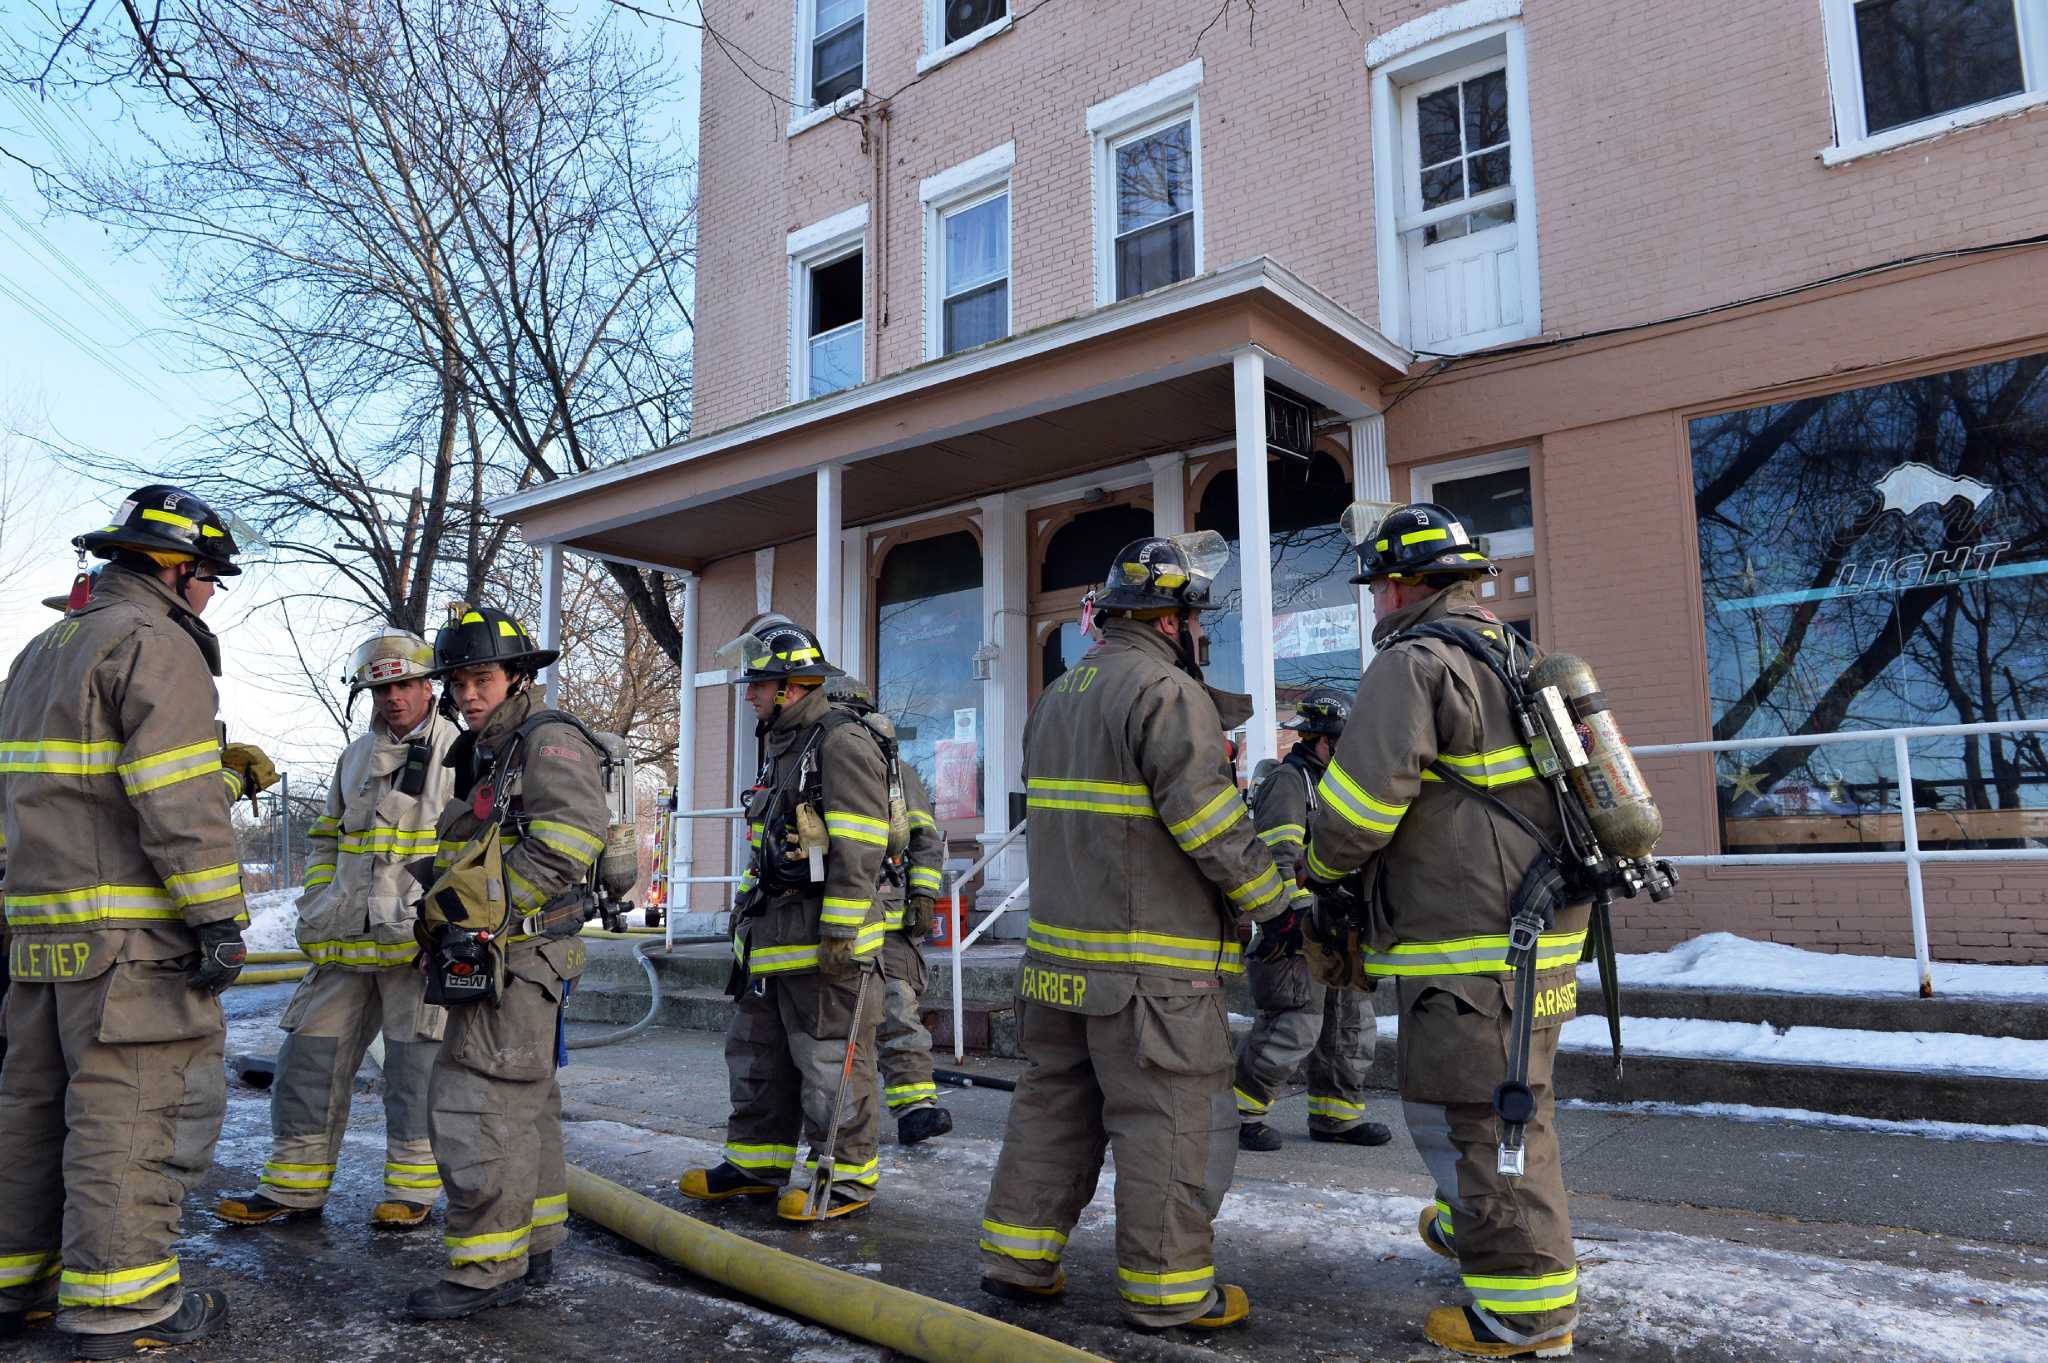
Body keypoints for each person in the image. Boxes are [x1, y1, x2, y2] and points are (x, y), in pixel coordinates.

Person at [977, 533, 1288, 1333]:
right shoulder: (1167, 694)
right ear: (1174, 618)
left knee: (1055, 1106)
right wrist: (1274, 903)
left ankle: (1017, 1257)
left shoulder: (1057, 695)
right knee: (1173, 1120)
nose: (1200, 632)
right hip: (1152, 976)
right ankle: (1168, 1292)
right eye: (1196, 617)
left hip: (1055, 967)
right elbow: (1211, 823)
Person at [1303, 502, 1586, 1360]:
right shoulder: (1514, 654)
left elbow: (1355, 810)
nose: (1377, 605)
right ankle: (1488, 1238)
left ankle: (1523, 1319)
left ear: (1402, 585)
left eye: (1380, 588)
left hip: (1474, 942)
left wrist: (1315, 872)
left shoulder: (1414, 663)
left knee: (1487, 1119)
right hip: (1537, 934)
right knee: (1508, 1104)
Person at [0, 485, 249, 1358]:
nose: (211, 595)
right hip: (130, 950)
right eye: (211, 579)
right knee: (132, 1112)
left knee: (32, 1110)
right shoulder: (156, 642)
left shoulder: (41, 649)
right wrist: (218, 915)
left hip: (37, 941)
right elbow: (176, 793)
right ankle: (121, 1305)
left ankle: (15, 1281)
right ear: (177, 570)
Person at [402, 605, 611, 1320]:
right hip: (512, 954)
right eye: (457, 680)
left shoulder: (545, 740)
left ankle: (486, 1268)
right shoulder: (489, 747)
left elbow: (567, 843)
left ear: (519, 675)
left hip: (516, 956)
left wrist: (477, 915)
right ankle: (536, 1240)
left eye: (482, 676)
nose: (466, 692)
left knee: (477, 1102)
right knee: (523, 1105)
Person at [215, 631, 460, 1230]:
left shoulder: (463, 752)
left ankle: (412, 1189)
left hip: (415, 945)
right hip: (346, 941)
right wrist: (319, 901)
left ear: (428, 686)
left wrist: (442, 924)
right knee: (307, 1058)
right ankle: (293, 1187)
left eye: (404, 684)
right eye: (381, 687)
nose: (393, 698)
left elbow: (470, 852)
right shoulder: (354, 757)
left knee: (414, 1068)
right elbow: (327, 837)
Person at [677, 621, 893, 1221]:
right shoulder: (782, 746)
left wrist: (841, 935)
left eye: (759, 685)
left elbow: (861, 849)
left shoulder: (839, 742)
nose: (749, 694)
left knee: (830, 1065)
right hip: (772, 942)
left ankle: (844, 1178)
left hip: (825, 947)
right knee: (758, 1058)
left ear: (793, 687)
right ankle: (756, 1165)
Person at [1233, 688, 1390, 1152]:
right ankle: (1241, 1113)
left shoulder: (1338, 783)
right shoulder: (1289, 782)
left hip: (1342, 927)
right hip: (1301, 929)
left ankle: (1335, 1117)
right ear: (1325, 740)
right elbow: (1277, 858)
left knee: (1350, 1027)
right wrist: (1288, 918)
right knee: (1293, 1025)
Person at [824, 674, 953, 1145]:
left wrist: (922, 895)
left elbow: (923, 837)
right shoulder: (811, 762)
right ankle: (834, 1114)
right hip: (833, 910)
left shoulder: (896, 771)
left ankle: (916, 1107)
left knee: (897, 1008)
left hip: (890, 913)